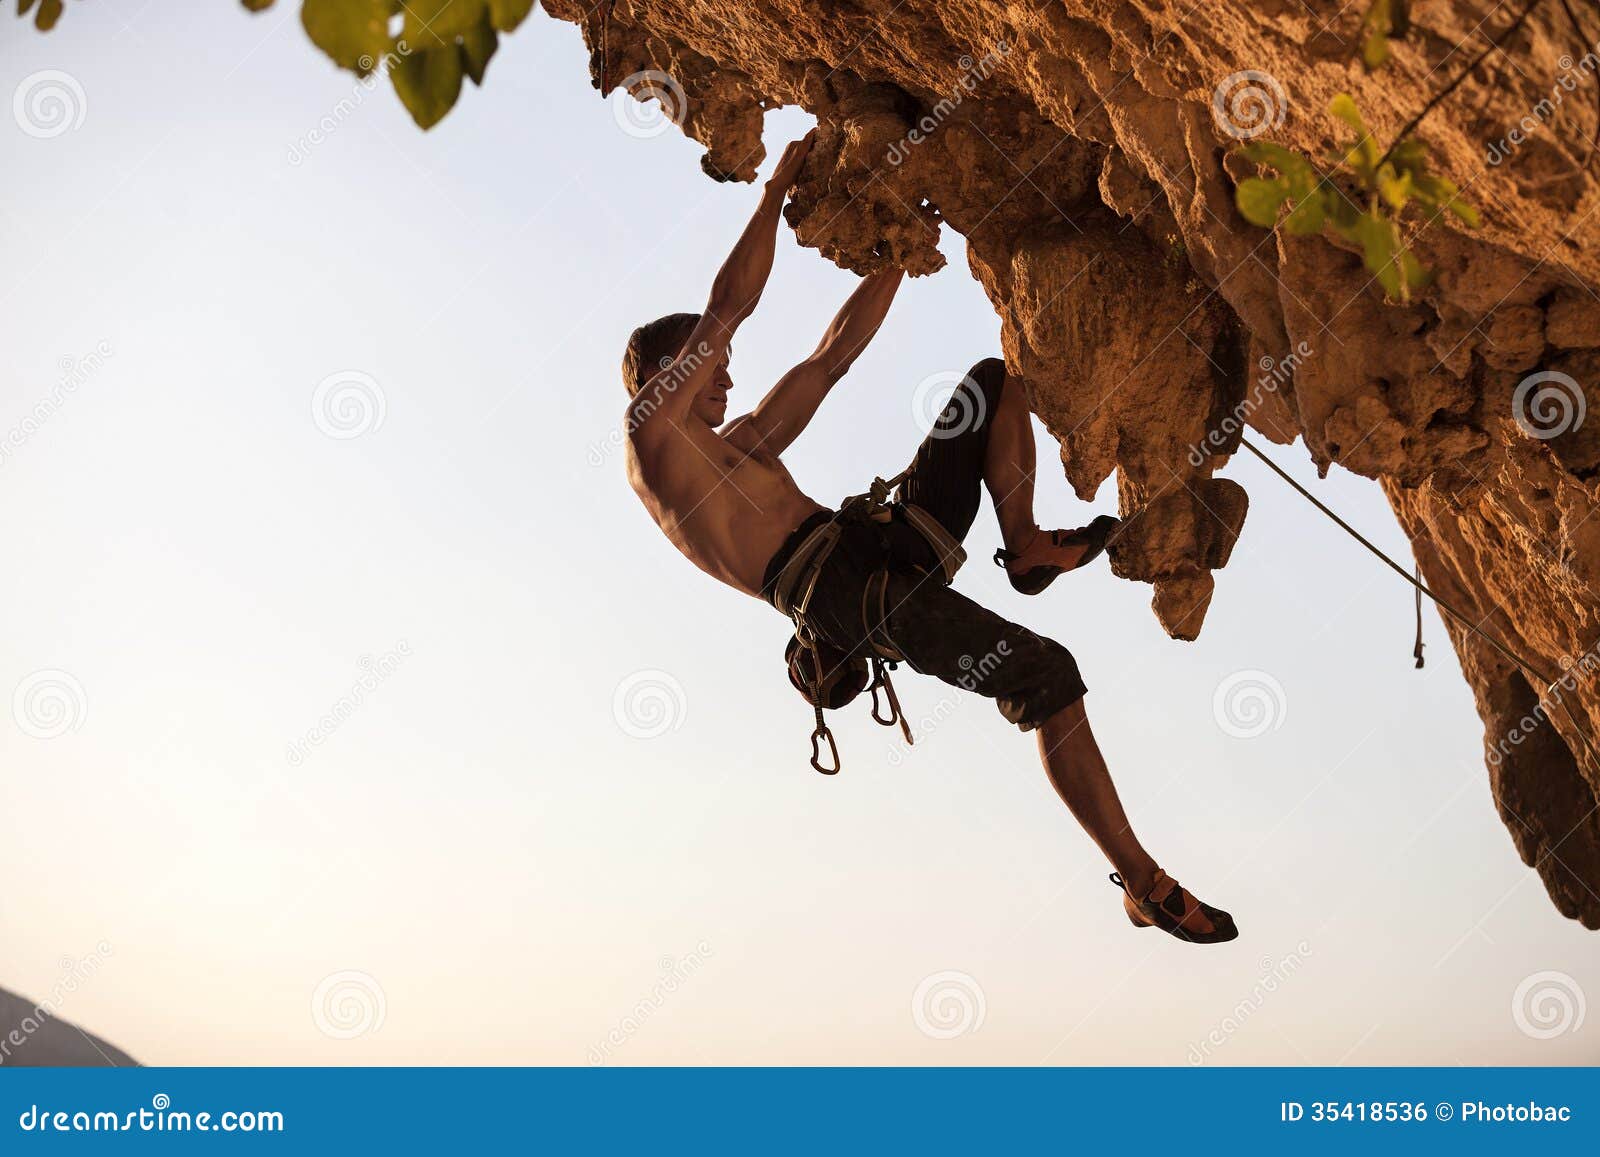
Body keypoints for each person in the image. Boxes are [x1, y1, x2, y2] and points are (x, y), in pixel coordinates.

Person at [620, 132, 1236, 944]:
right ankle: (1143, 880)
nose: (727, 372)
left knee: (993, 382)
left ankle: (1026, 546)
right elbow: (728, 307)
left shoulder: (740, 445)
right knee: (1047, 675)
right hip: (845, 593)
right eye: (712, 364)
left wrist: (908, 253)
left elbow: (830, 358)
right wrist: (772, 194)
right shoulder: (653, 443)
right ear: (671, 370)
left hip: (879, 541)